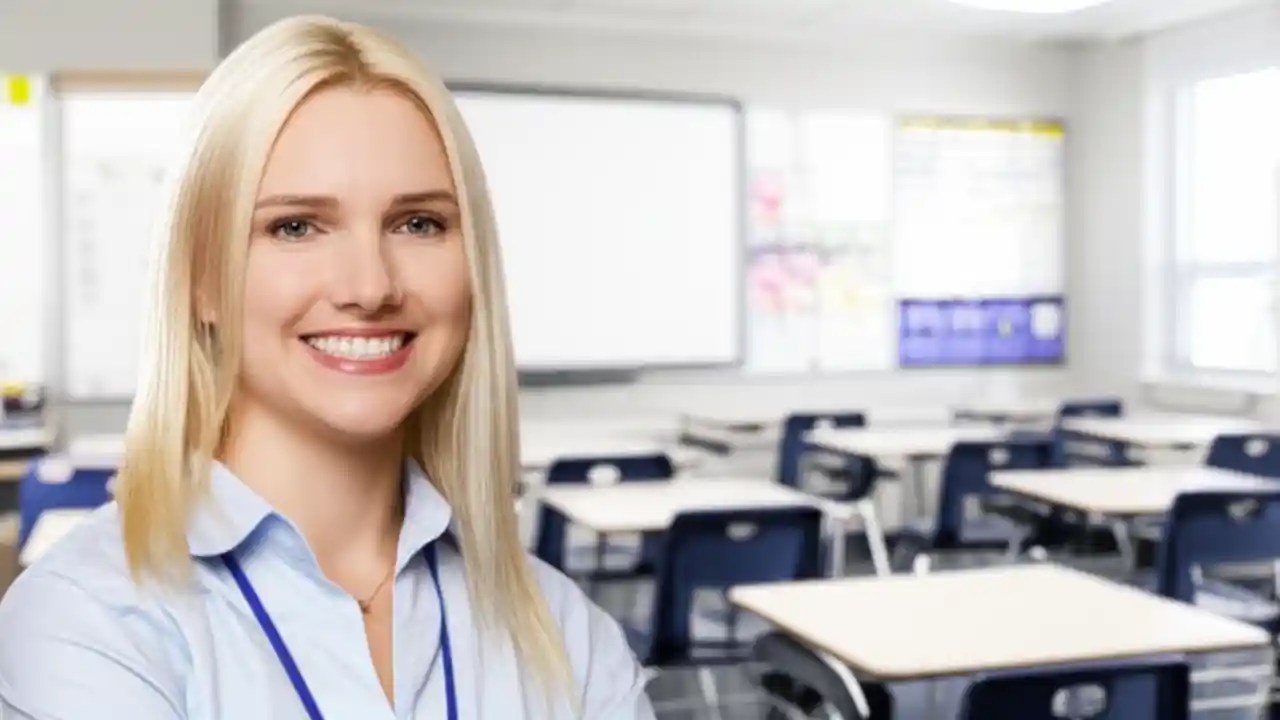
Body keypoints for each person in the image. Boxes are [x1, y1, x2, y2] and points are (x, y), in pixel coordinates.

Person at [0, 15, 655, 720]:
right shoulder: (85, 626)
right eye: (296, 226)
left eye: (418, 223)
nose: (369, 286)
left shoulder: (567, 635)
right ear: (200, 278)